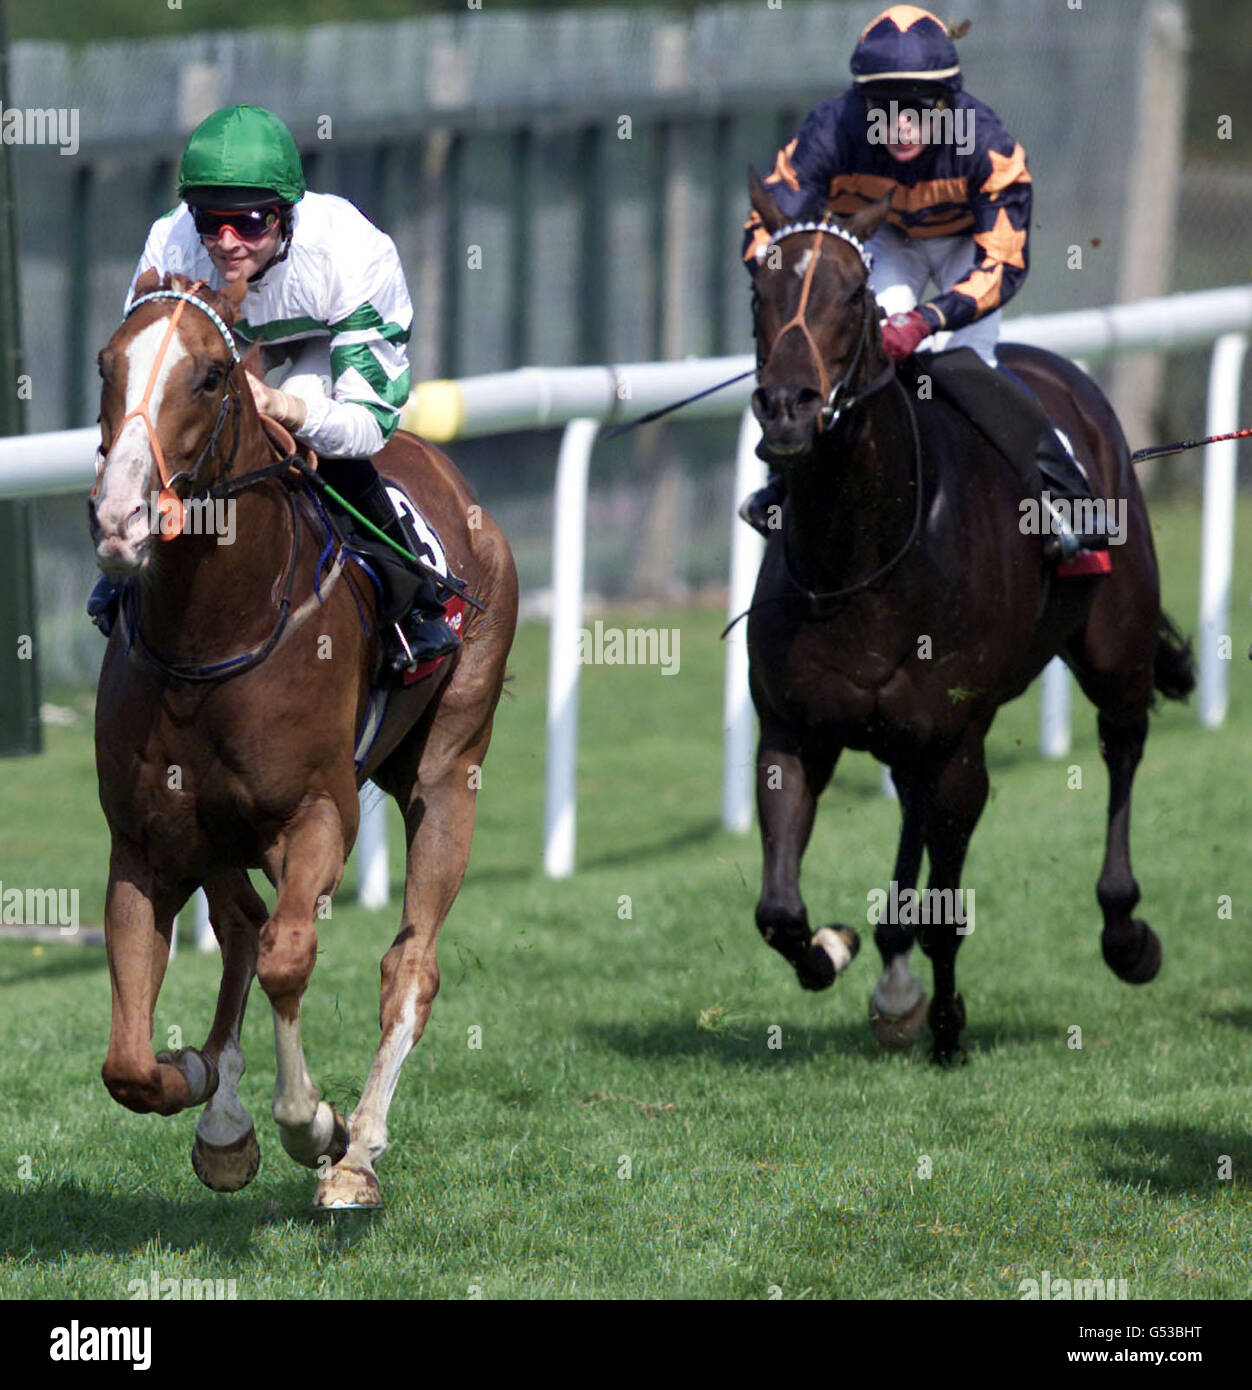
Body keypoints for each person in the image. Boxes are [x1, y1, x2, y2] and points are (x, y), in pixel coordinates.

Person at [89, 103, 458, 672]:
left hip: (325, 337)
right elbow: (145, 380)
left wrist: (285, 405)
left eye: (252, 223)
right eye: (212, 221)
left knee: (310, 419)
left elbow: (366, 426)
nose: (228, 242)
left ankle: (413, 601)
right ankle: (129, 584)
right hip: (224, 346)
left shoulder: (354, 254)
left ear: (287, 215)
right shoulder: (171, 242)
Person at [739, 4, 1103, 560]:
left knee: (964, 367)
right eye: (885, 109)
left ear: (947, 104)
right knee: (858, 358)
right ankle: (789, 488)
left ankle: (1066, 494)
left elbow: (1002, 263)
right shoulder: (829, 132)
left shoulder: (987, 145)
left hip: (966, 249)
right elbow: (766, 233)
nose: (901, 125)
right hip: (886, 241)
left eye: (919, 108)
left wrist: (931, 318)